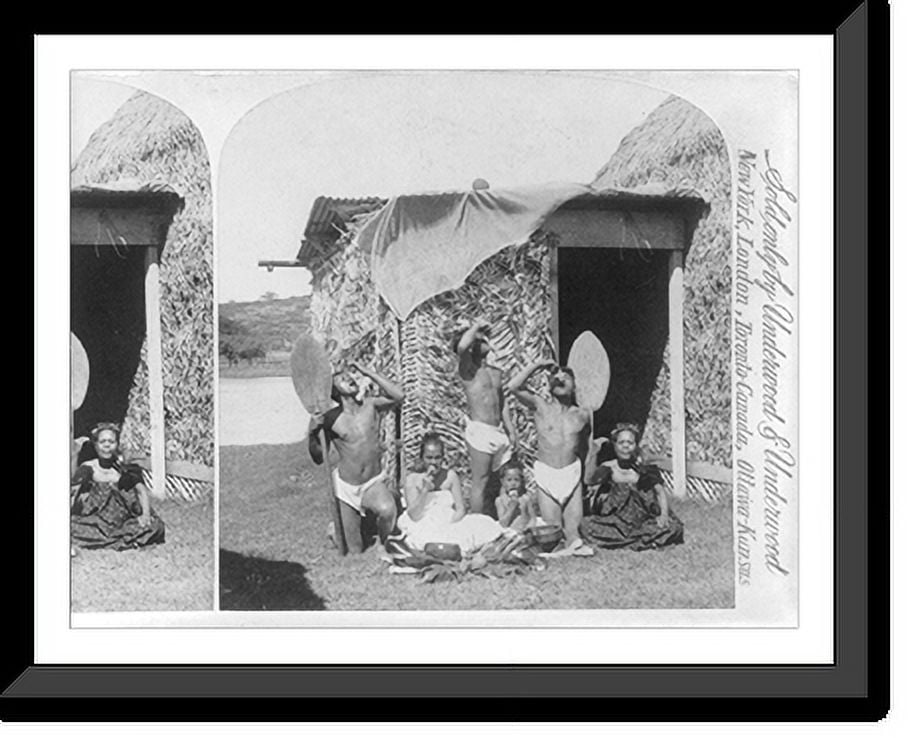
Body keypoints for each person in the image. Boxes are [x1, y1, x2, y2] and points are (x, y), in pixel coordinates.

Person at [308, 361, 405, 555]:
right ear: (333, 390)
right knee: (355, 550)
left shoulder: (370, 405)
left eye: (349, 376)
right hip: (346, 487)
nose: (347, 378)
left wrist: (368, 371)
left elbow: (399, 395)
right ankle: (336, 531)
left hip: (372, 482)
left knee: (387, 510)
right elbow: (319, 457)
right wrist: (312, 433)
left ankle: (383, 545)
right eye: (340, 378)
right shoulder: (330, 419)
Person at [507, 360, 595, 557]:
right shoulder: (540, 406)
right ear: (550, 384)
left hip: (572, 473)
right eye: (557, 377)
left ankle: (572, 544)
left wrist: (588, 477)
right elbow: (513, 386)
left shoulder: (583, 414)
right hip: (547, 474)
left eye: (567, 377)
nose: (561, 379)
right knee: (553, 532)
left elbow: (588, 448)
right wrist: (539, 365)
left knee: (573, 534)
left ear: (574, 386)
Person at [580, 423, 684, 550]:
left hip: (644, 520)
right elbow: (589, 480)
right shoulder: (609, 467)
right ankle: (643, 541)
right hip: (616, 522)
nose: (625, 446)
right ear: (615, 446)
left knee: (673, 528)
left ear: (636, 446)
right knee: (585, 525)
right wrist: (593, 453)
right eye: (621, 442)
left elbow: (660, 492)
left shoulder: (645, 468)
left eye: (630, 443)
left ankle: (622, 542)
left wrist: (664, 515)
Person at [453, 319, 517, 516]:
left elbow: (502, 402)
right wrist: (476, 327)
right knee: (480, 481)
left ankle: (504, 522)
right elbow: (462, 346)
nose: (485, 340)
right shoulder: (468, 370)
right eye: (481, 339)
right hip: (481, 430)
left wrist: (511, 430)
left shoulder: (495, 372)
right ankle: (478, 525)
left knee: (501, 481)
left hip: (498, 431)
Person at [397, 433, 502, 551]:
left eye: (437, 457)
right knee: (428, 538)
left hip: (449, 519)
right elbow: (413, 514)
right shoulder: (412, 479)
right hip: (422, 521)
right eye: (429, 458)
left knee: (482, 525)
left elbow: (460, 508)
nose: (433, 462)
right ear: (422, 458)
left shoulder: (450, 476)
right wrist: (425, 489)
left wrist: (450, 523)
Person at [70, 422, 165, 551]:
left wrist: (146, 515)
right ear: (96, 445)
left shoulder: (126, 469)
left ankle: (104, 540)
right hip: (97, 521)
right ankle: (124, 540)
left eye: (111, 441)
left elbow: (141, 491)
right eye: (102, 442)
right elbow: (73, 493)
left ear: (117, 445)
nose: (107, 445)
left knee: (155, 526)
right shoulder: (88, 468)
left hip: (123, 521)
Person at [494, 460, 538, 532]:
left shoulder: (525, 498)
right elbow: (502, 524)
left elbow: (533, 518)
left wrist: (529, 528)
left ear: (521, 481)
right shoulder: (500, 501)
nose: (513, 483)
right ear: (502, 482)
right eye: (509, 480)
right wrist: (511, 508)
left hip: (525, 531)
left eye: (516, 480)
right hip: (509, 532)